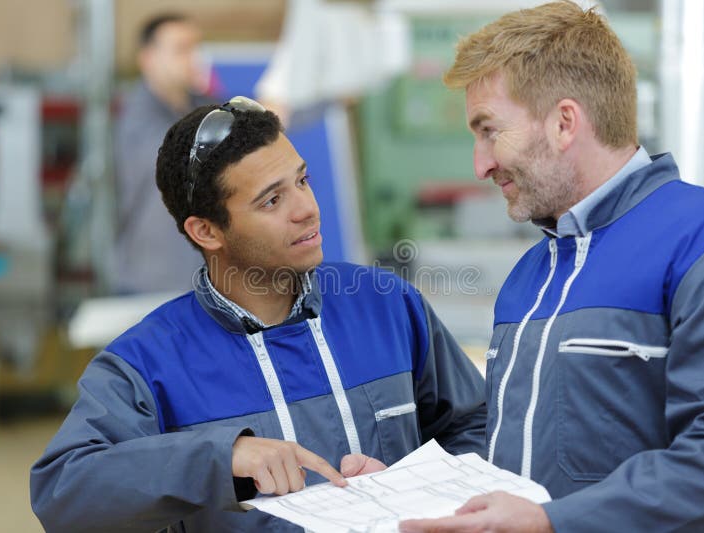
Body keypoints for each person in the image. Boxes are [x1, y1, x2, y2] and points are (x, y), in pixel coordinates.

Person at [30, 96, 487, 532]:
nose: (307, 209)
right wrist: (220, 458)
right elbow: (62, 495)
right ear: (206, 231)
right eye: (272, 200)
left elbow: (477, 427)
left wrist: (409, 489)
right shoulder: (147, 363)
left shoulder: (389, 306)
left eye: (302, 181)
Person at [400, 2, 704, 532]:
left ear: (564, 123)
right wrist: (404, 491)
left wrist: (552, 522)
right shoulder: (530, 275)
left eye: (490, 131)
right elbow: (520, 457)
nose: (481, 164)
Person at [111, 13, 209, 293]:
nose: (193, 58)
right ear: (148, 59)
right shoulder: (136, 116)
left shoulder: (203, 106)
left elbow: (262, 117)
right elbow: (179, 149)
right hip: (150, 283)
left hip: (200, 280)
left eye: (196, 48)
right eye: (181, 49)